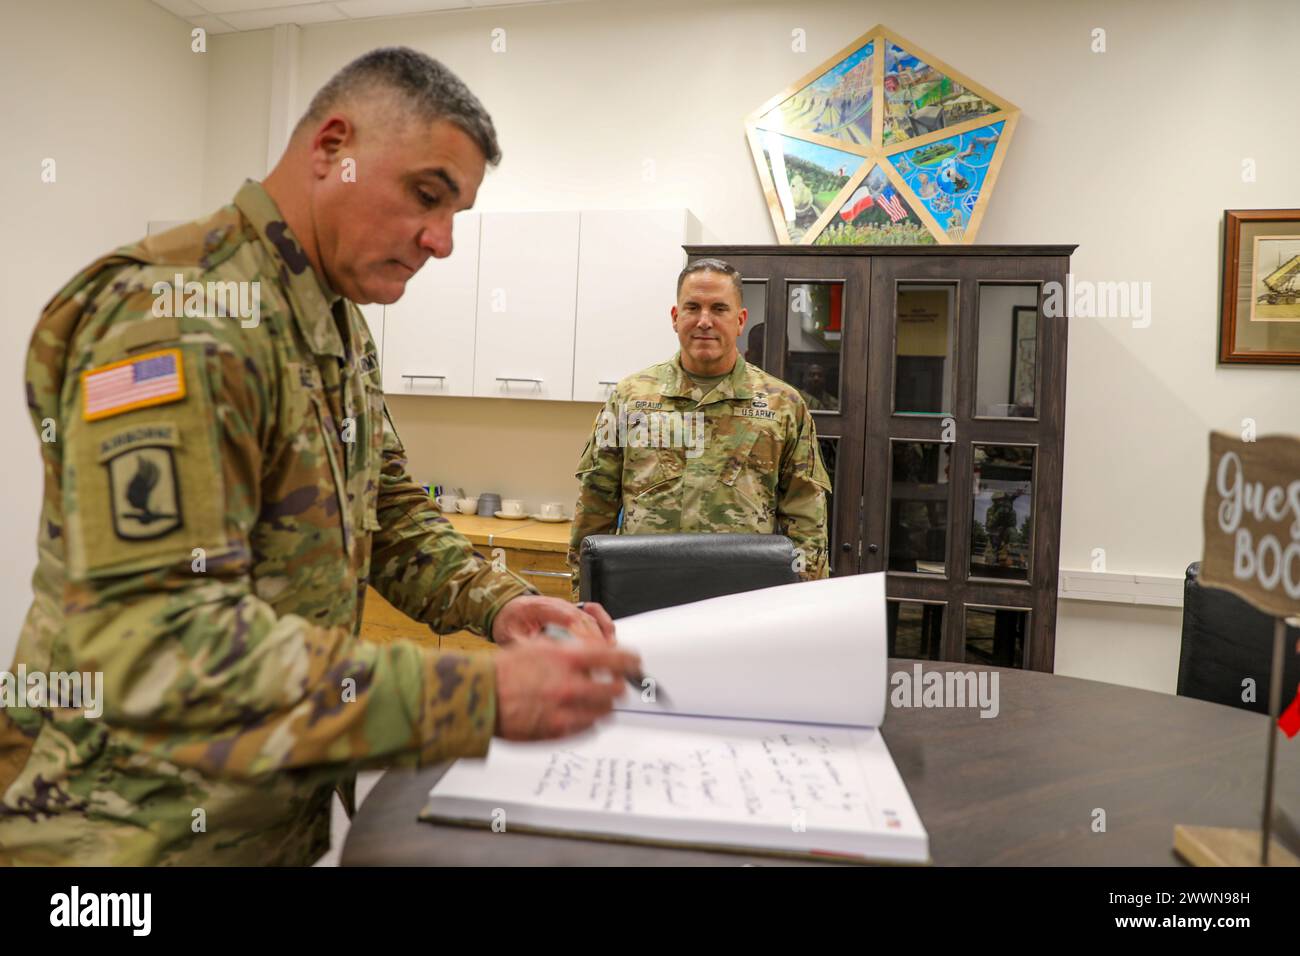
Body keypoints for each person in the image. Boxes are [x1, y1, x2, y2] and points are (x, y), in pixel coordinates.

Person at [0, 47, 639, 866]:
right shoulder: (177, 317)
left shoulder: (334, 323)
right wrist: (473, 696)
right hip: (126, 837)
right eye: (426, 194)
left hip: (266, 824)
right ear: (333, 148)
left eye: (457, 215)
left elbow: (396, 515)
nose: (440, 241)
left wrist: (500, 605)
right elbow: (161, 643)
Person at [568, 258, 832, 594]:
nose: (704, 321)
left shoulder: (783, 405)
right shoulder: (630, 397)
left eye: (719, 308)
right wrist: (585, 595)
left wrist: (804, 599)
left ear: (739, 321)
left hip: (741, 595)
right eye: (693, 307)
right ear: (676, 318)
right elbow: (596, 501)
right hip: (644, 589)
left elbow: (805, 516)